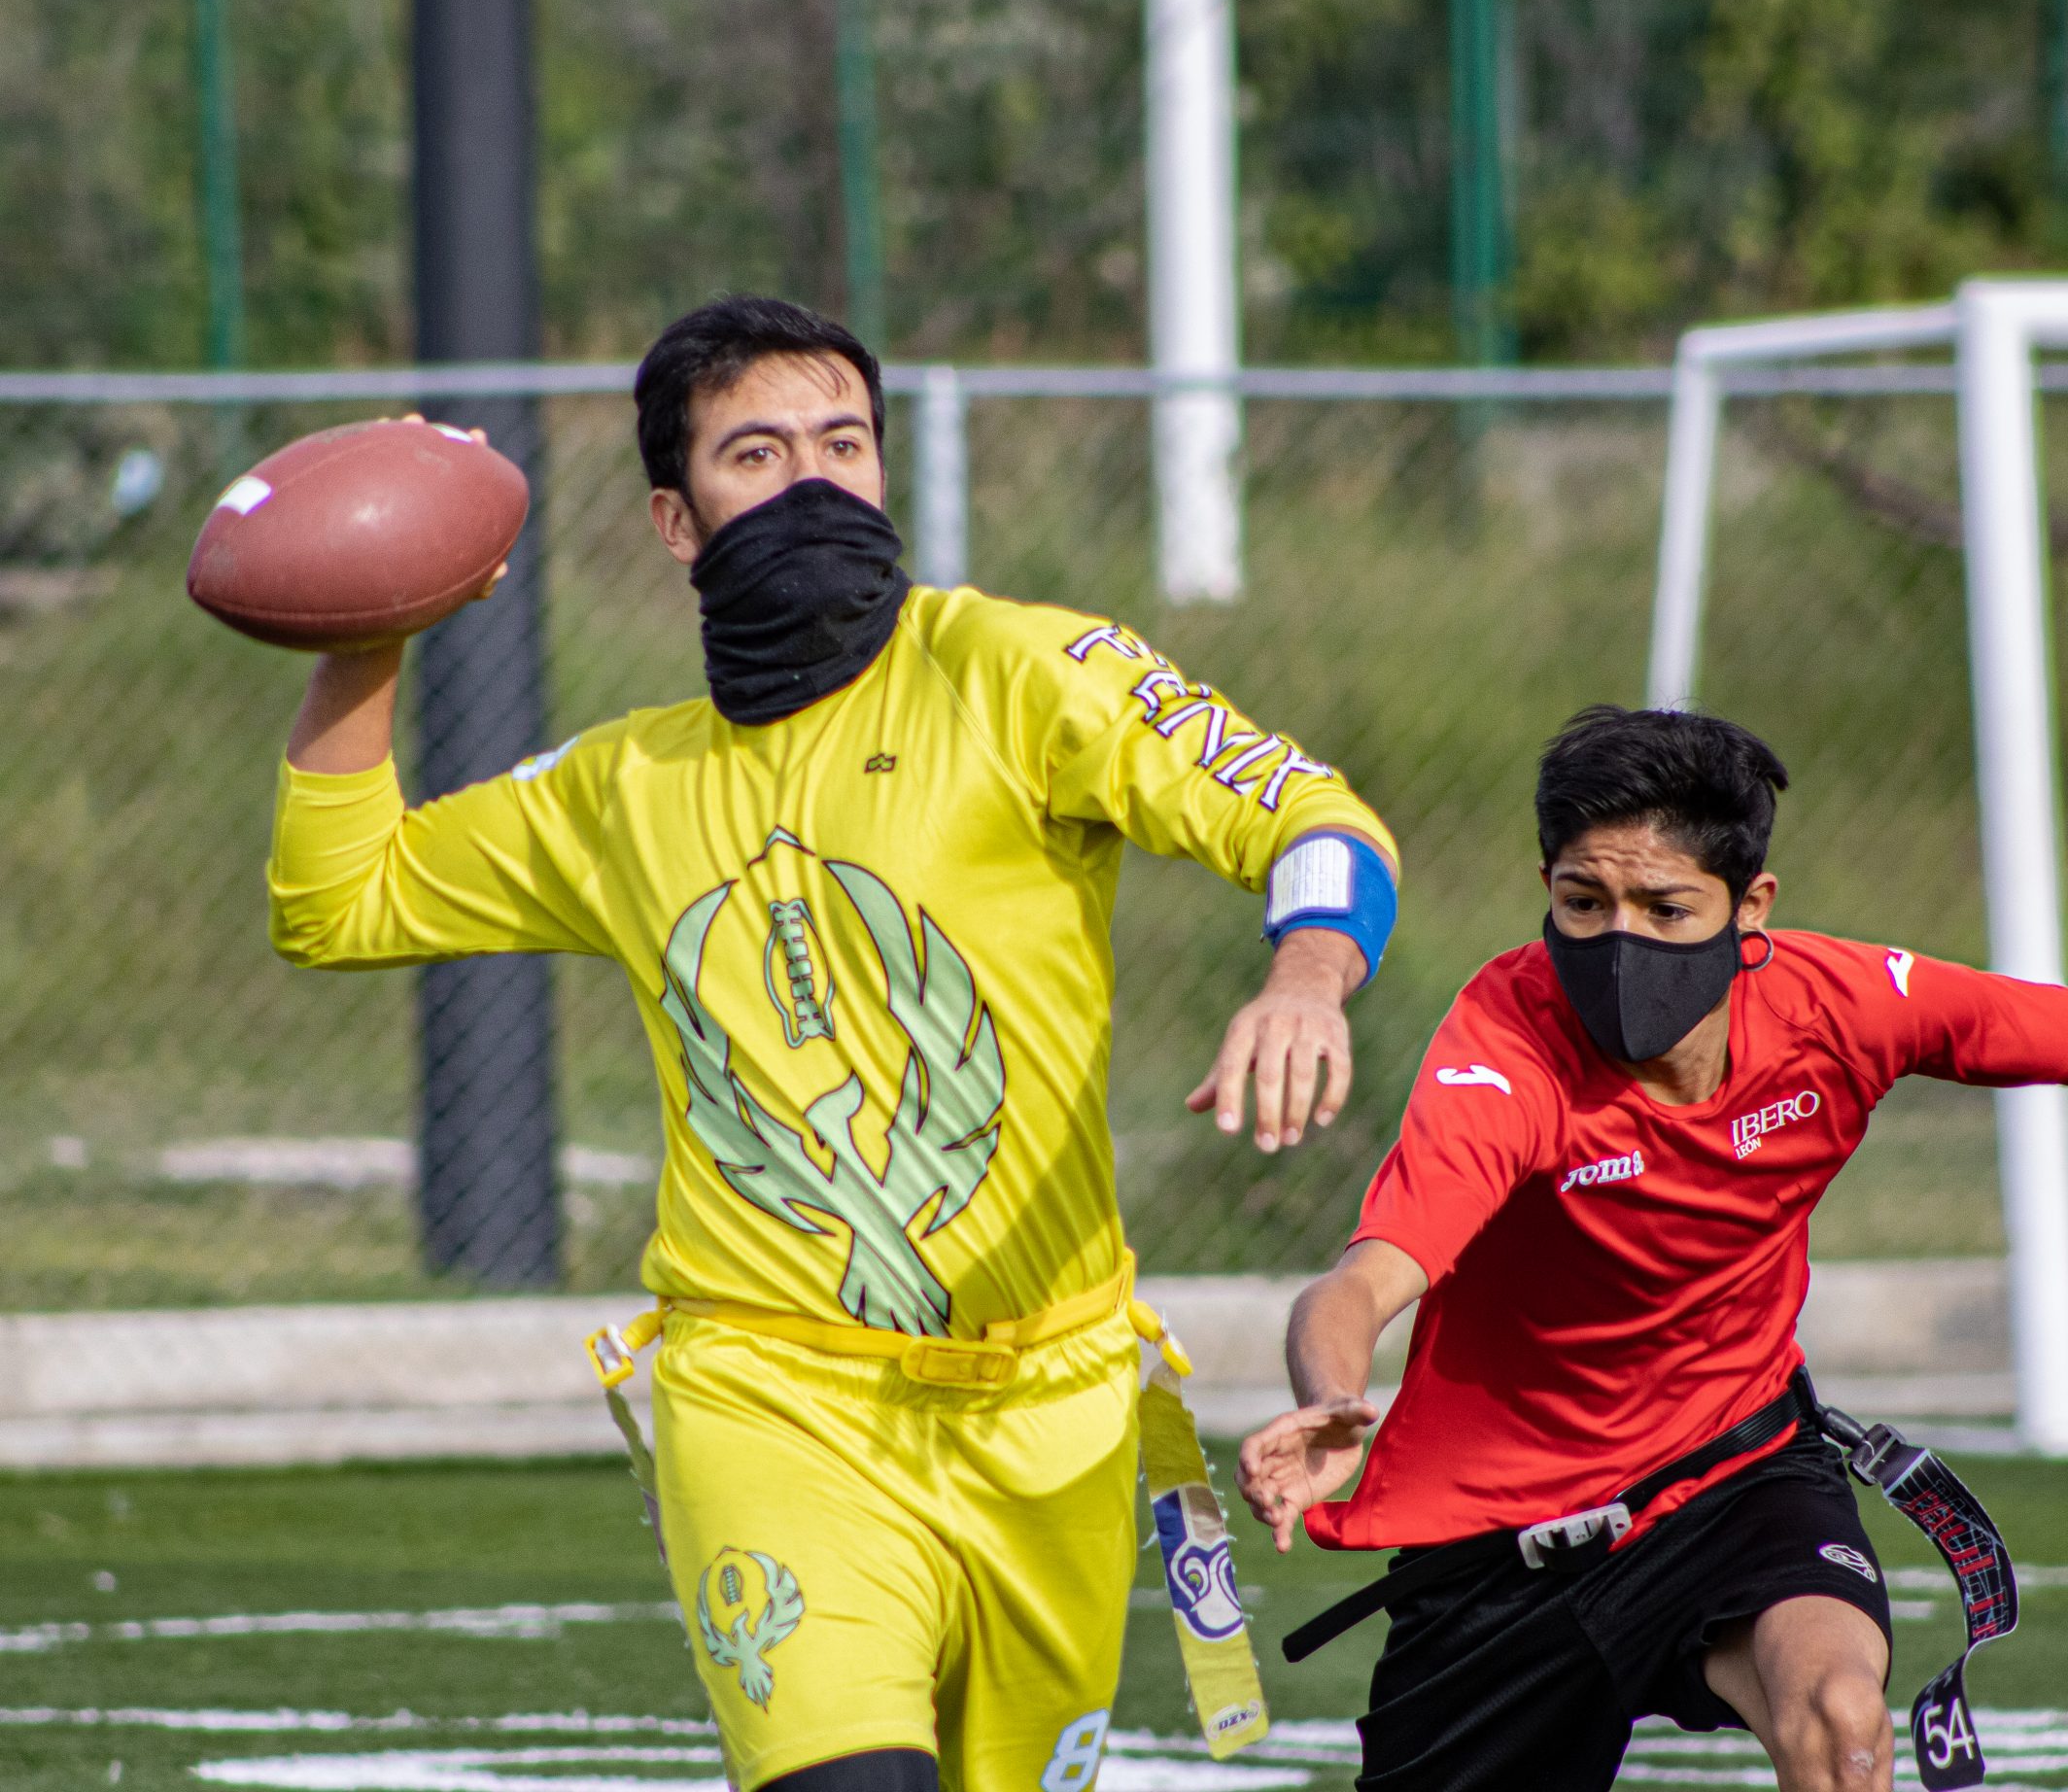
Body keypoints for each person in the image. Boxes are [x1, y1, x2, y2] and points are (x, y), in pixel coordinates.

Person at [266, 295, 1399, 1792]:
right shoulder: (626, 783)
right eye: (755, 453)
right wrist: (368, 628)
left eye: (842, 443)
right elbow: (340, 899)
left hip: (1053, 1415)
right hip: (774, 1399)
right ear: (678, 521)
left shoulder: (1023, 672)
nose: (810, 482)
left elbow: (1315, 816)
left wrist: (1308, 978)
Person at [1235, 705, 2068, 1792]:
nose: (1619, 939)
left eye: (1666, 908)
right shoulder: (1503, 1044)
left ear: (1750, 909)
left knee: (1840, 1724)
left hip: (1732, 1477)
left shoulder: (1841, 1006)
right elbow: (1367, 1277)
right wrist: (1335, 1398)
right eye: (1582, 901)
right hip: (1500, 1552)